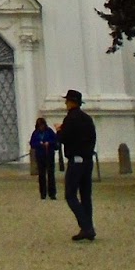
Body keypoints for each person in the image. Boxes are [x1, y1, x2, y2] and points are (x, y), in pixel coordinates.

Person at [58, 89, 96, 241]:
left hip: (76, 160)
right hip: (88, 160)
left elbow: (64, 138)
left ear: (71, 102)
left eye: (67, 101)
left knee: (70, 195)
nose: (66, 103)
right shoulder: (87, 119)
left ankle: (86, 226)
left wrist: (59, 131)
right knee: (86, 195)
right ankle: (89, 227)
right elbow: (93, 138)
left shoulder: (70, 119)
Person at [29, 117, 58, 200]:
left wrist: (49, 143)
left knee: (51, 174)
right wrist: (39, 143)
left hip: (49, 155)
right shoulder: (35, 133)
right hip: (40, 155)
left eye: (42, 125)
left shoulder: (49, 131)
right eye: (40, 126)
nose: (41, 127)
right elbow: (32, 143)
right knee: (41, 175)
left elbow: (55, 140)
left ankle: (52, 193)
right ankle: (43, 193)